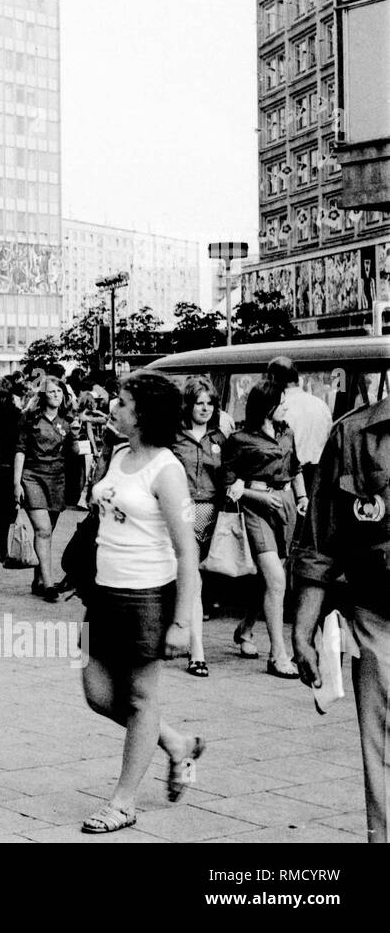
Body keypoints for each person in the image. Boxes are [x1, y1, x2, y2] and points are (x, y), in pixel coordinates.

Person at [80, 371, 202, 833]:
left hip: (148, 597)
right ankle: (176, 742)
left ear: (145, 415)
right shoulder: (118, 455)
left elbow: (187, 550)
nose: (114, 408)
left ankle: (123, 801)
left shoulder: (167, 470)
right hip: (105, 592)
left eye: (123, 403)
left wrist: (182, 623)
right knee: (97, 694)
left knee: (141, 698)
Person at [292, 389, 390, 842]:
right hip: (378, 616)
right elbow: (321, 540)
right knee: (383, 747)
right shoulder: (353, 434)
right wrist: (303, 627)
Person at [223, 380, 306, 678]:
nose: (286, 406)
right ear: (268, 406)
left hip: (285, 507)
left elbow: (295, 469)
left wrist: (302, 497)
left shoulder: (287, 432)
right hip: (256, 507)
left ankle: (245, 630)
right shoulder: (240, 438)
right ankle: (278, 655)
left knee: (270, 581)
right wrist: (259, 496)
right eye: (281, 401)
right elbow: (229, 483)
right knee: (276, 579)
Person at [169, 377, 228, 679]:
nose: (205, 408)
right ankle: (198, 652)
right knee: (193, 580)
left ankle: (178, 632)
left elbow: (230, 474)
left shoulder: (219, 439)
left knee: (191, 579)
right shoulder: (174, 438)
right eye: (199, 403)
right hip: (181, 511)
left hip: (211, 513)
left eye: (210, 403)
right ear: (188, 405)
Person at [12, 375, 78, 600]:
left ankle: (38, 578)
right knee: (43, 530)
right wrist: (16, 482)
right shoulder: (29, 419)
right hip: (32, 476)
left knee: (48, 530)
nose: (56, 395)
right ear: (42, 395)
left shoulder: (67, 421)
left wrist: (76, 437)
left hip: (56, 478)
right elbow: (20, 450)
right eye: (51, 392)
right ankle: (49, 585)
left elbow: (74, 452)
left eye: (59, 391)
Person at [268, 356, 332, 501]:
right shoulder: (320, 404)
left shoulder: (279, 409)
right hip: (320, 477)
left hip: (291, 481)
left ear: (272, 378)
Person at [0, 378, 21, 562]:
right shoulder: (17, 413)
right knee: (11, 509)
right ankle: (10, 546)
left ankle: (2, 550)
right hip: (14, 464)